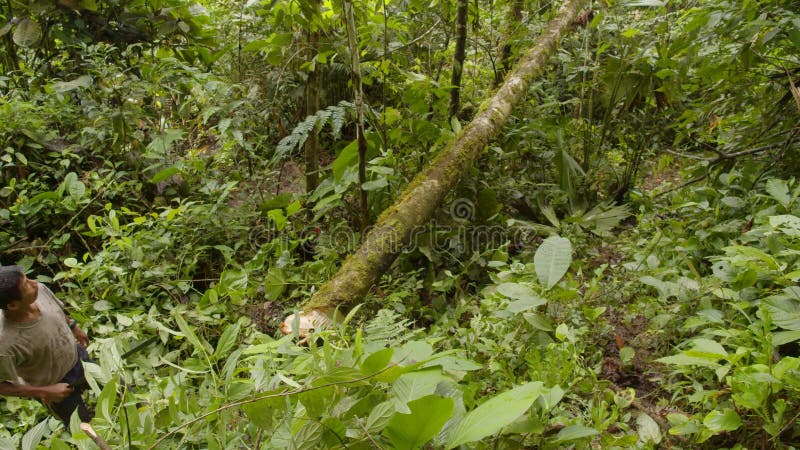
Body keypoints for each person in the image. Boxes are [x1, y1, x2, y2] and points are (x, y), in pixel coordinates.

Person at [0, 265, 94, 425]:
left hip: (78, 358)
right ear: (13, 305)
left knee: (120, 389)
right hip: (55, 386)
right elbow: (2, 386)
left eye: (28, 278)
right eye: (26, 285)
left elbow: (55, 309)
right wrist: (45, 391)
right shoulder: (5, 343)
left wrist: (73, 327)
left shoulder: (41, 291)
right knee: (84, 428)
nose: (35, 283)